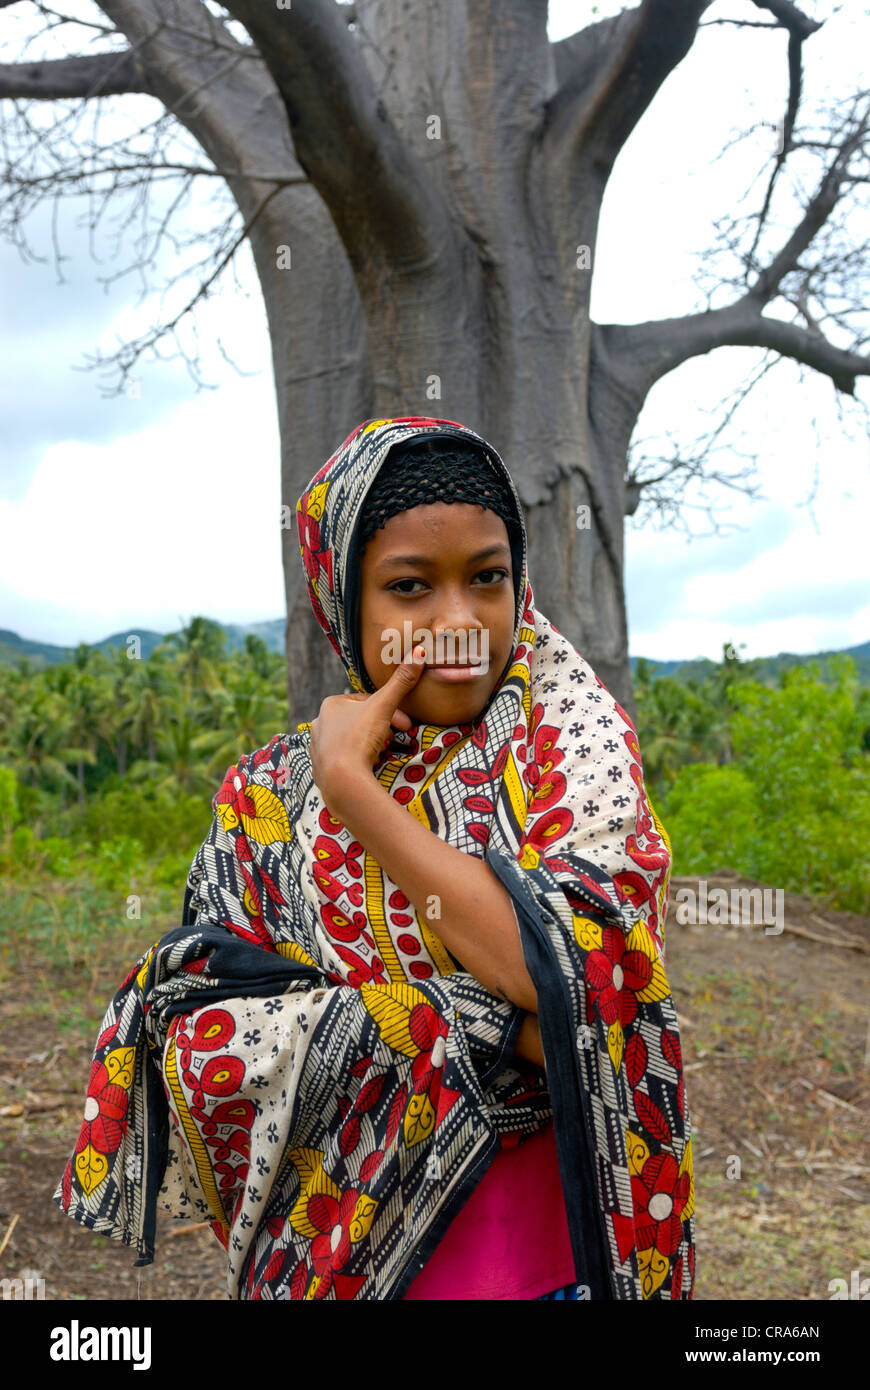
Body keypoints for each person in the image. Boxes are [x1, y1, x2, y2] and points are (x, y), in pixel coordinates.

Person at [55, 416, 695, 1301]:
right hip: (344, 1272)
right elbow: (204, 1042)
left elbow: (561, 976)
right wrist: (517, 1023)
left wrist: (357, 793)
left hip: (559, 1269)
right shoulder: (268, 801)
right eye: (408, 586)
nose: (459, 621)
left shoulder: (572, 749)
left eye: (488, 577)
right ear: (343, 602)